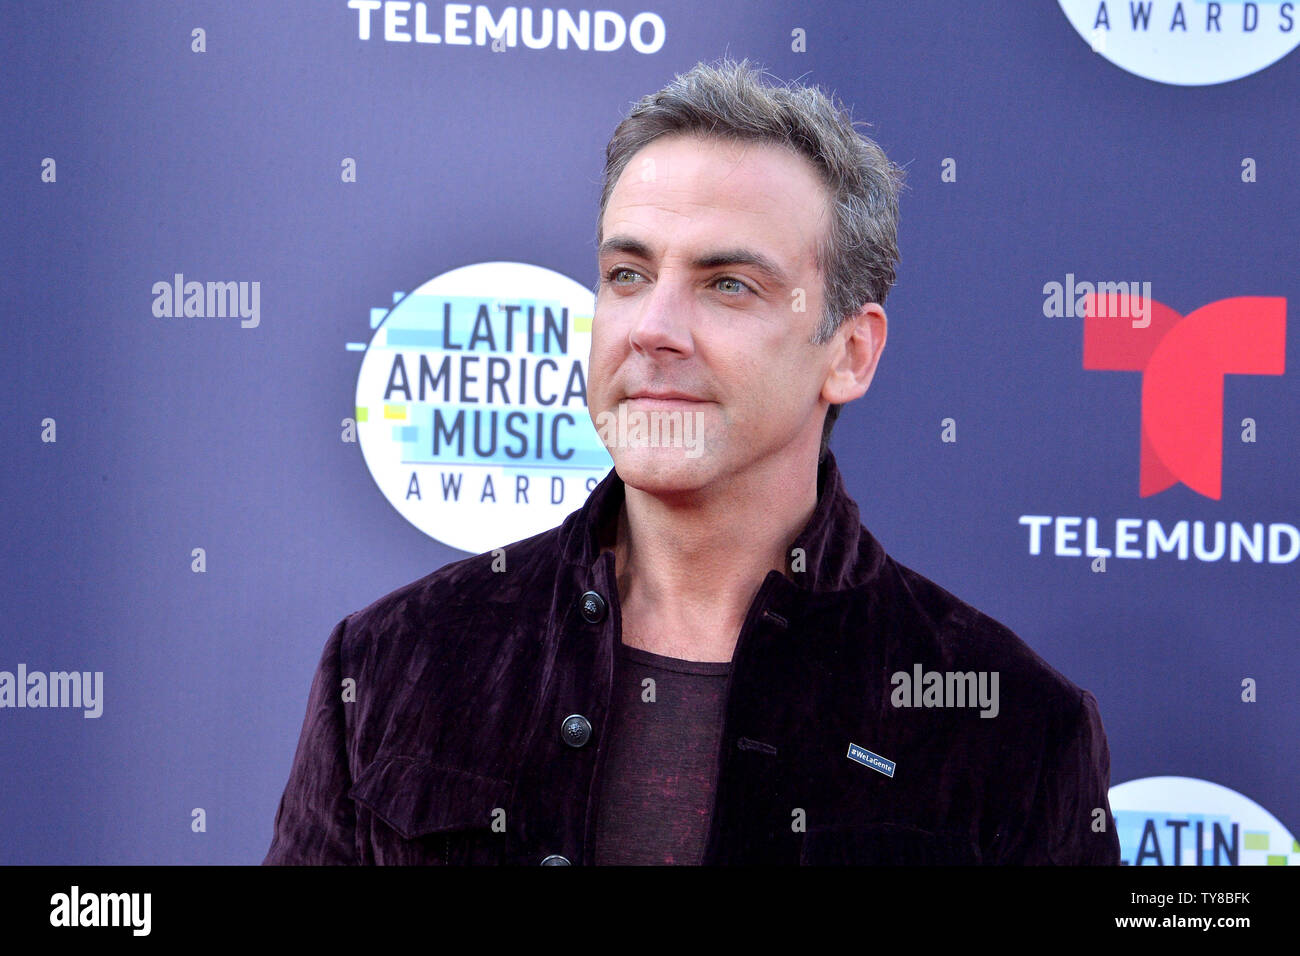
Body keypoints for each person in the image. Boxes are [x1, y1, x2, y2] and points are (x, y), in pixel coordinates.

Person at [263, 57, 1120, 865]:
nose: (653, 328)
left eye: (727, 285)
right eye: (628, 274)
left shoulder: (1015, 727)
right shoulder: (388, 663)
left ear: (851, 353)